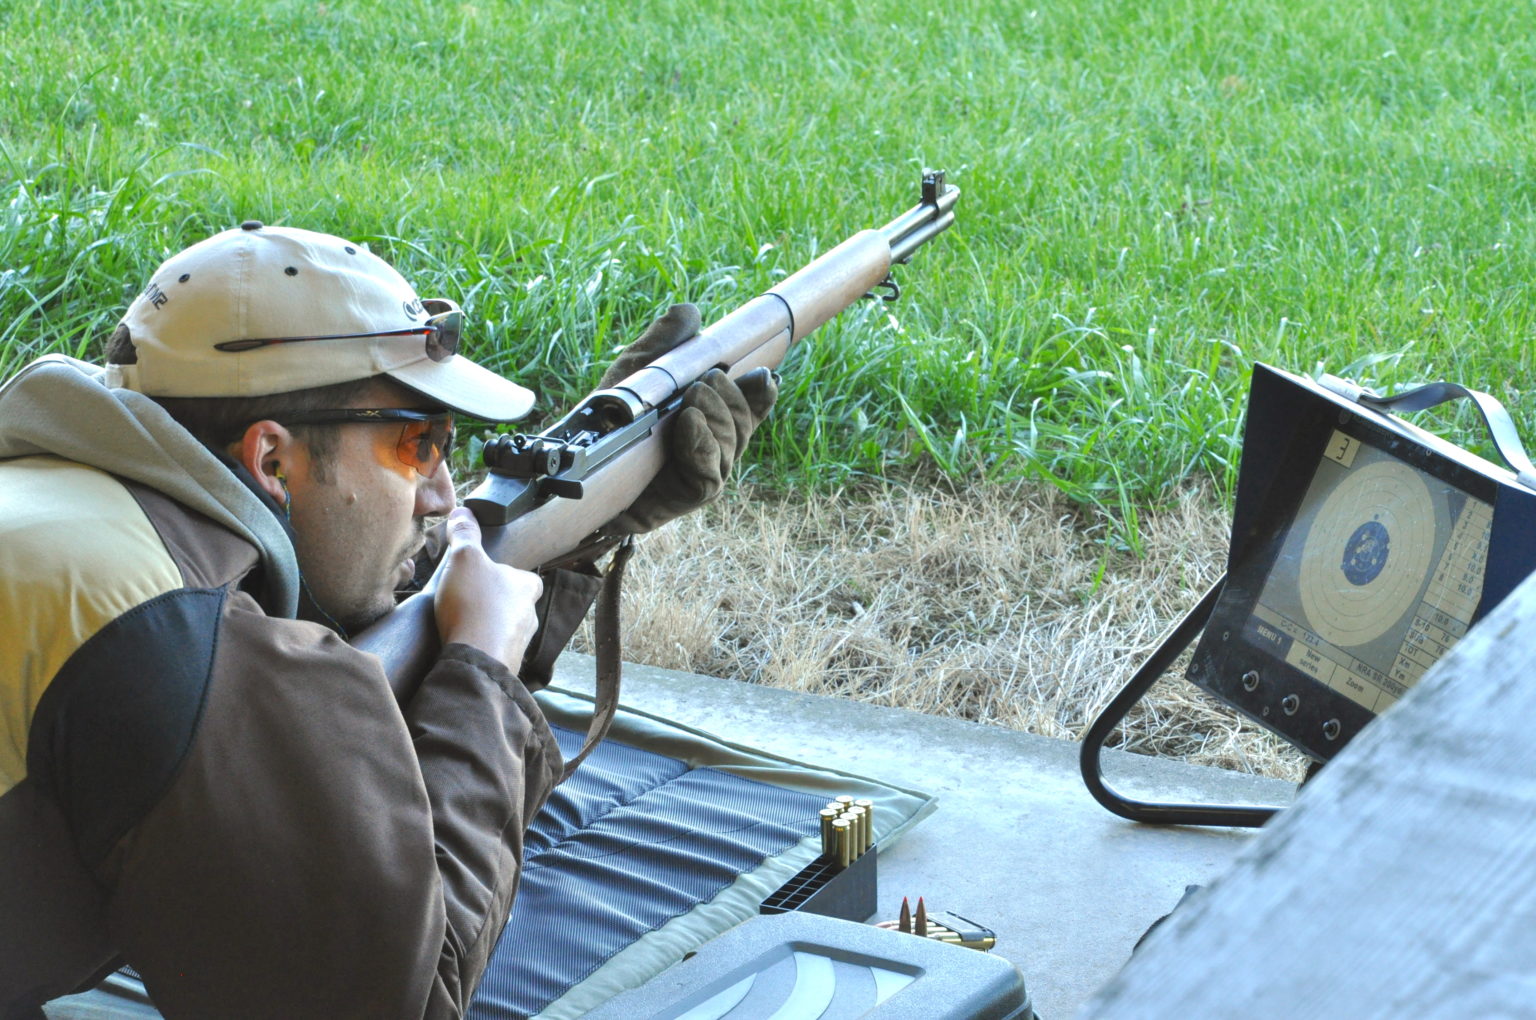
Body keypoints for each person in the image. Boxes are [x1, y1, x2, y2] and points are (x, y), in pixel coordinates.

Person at [0, 222, 776, 1018]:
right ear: (272, 460)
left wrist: (581, 522)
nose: (442, 494)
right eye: (418, 444)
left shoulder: (76, 516)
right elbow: (386, 1003)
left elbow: (316, 681)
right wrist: (482, 669)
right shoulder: (175, 640)